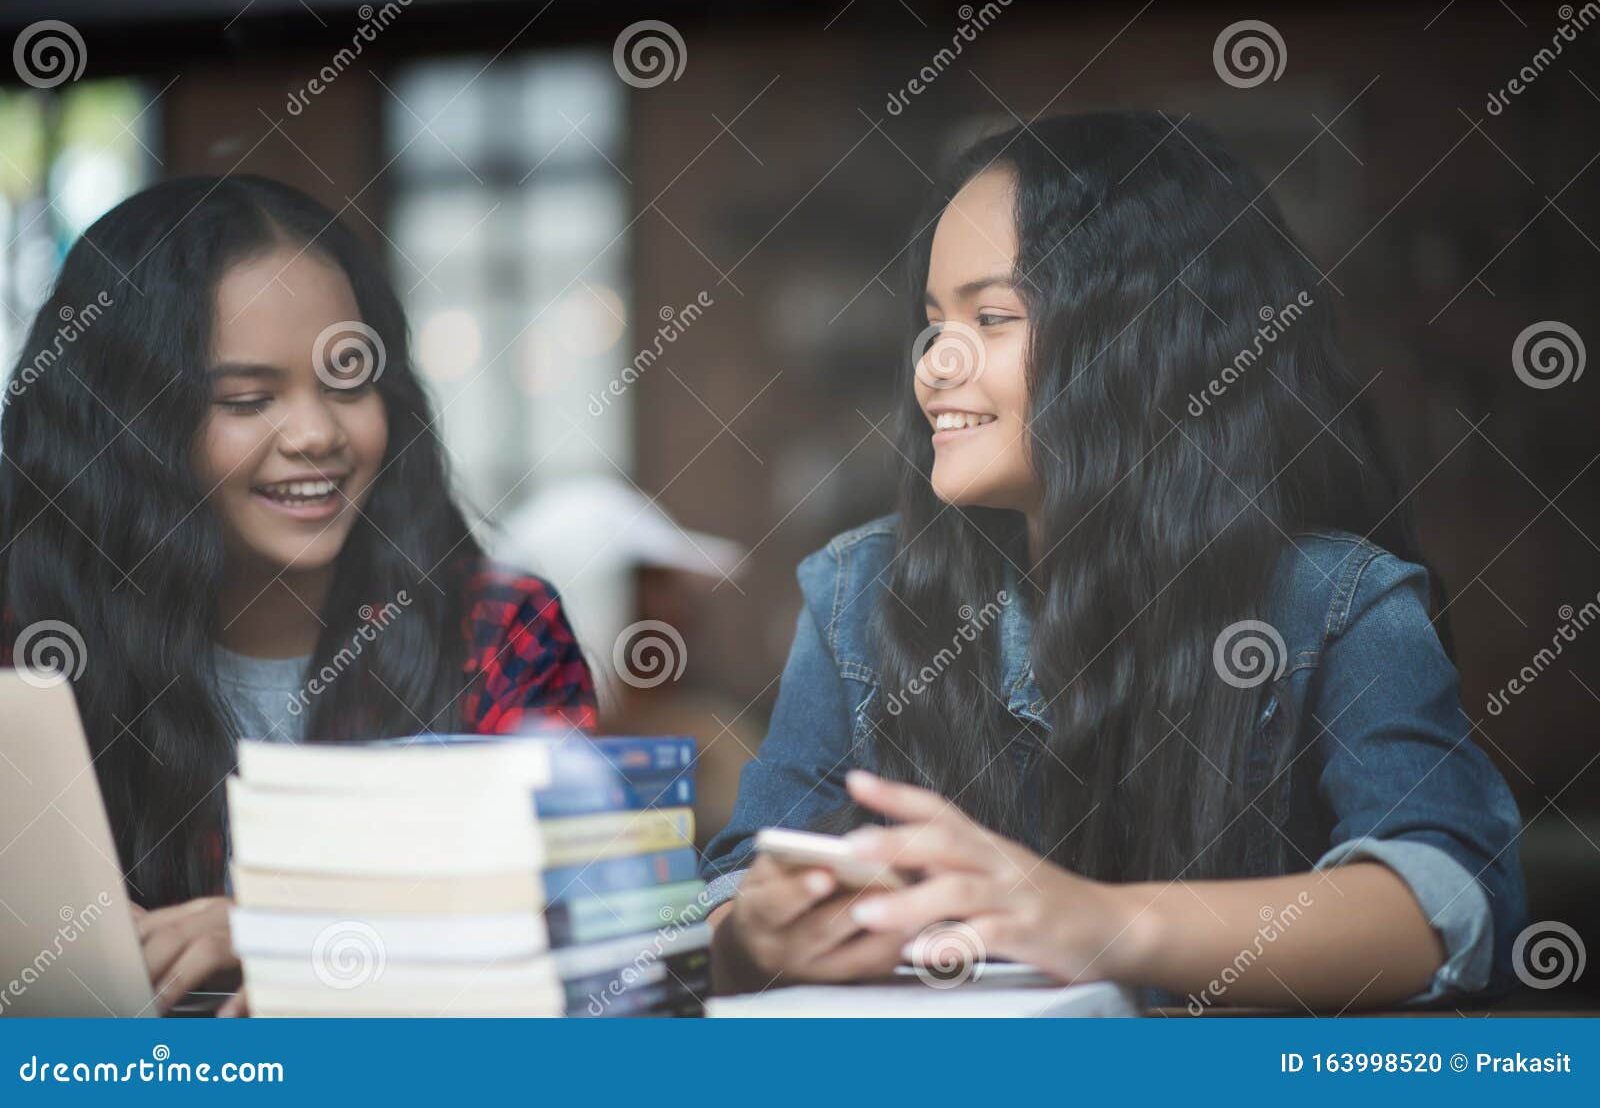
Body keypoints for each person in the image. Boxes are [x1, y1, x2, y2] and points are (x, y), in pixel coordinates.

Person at [701, 111, 1526, 1009]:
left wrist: (1097, 923)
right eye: (933, 321)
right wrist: (755, 935)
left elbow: (1443, 900)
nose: (934, 364)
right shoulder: (856, 595)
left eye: (992, 316)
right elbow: (733, 897)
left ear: (1144, 339)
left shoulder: (1335, 603)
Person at [0, 175, 595, 1014]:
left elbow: (595, 934)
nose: (316, 434)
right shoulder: (25, 640)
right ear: (127, 426)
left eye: (347, 382)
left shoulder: (497, 632)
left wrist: (290, 938)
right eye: (248, 400)